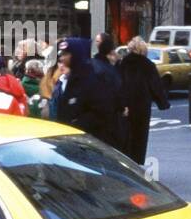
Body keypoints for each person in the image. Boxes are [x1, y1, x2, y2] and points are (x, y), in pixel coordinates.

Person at [53, 37, 118, 146]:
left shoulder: (94, 76)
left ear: (75, 54)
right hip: (73, 139)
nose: (62, 57)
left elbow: (102, 111)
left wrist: (76, 124)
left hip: (92, 142)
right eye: (61, 54)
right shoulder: (73, 77)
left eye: (65, 54)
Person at [119, 37, 170, 165]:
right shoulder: (147, 65)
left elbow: (117, 83)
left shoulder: (123, 63)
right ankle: (138, 161)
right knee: (140, 135)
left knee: (126, 134)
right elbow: (155, 86)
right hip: (141, 105)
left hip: (126, 105)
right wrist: (162, 103)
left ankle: (126, 160)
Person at [92, 33, 127, 151]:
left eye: (98, 41)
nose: (96, 43)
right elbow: (117, 91)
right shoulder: (109, 70)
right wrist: (122, 108)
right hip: (108, 117)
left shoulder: (92, 64)